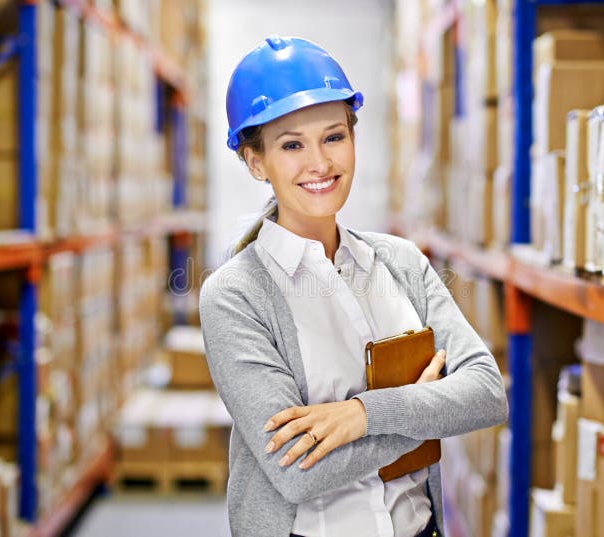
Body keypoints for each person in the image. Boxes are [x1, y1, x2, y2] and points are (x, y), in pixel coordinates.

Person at [199, 35, 508, 537]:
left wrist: (362, 415)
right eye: (292, 144)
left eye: (334, 136)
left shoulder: (400, 262)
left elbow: (486, 393)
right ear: (256, 162)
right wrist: (423, 411)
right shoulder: (236, 294)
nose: (320, 163)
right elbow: (297, 471)